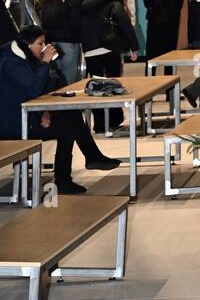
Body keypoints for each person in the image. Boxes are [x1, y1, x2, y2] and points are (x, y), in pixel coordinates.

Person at [0, 27, 119, 193]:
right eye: (39, 44)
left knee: (70, 114)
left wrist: (45, 110)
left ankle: (86, 161)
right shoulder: (11, 61)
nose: (43, 48)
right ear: (26, 44)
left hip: (27, 114)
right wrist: (43, 63)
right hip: (13, 124)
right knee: (68, 127)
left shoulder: (25, 56)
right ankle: (70, 174)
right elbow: (33, 89)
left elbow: (50, 87)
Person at [81, 0, 140, 77]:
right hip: (110, 48)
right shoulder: (114, 5)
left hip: (90, 51)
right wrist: (134, 47)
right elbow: (126, 25)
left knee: (96, 85)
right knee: (113, 84)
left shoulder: (83, 6)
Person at [39, 0, 84, 85]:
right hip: (69, 42)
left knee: (54, 78)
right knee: (69, 81)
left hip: (50, 43)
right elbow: (76, 23)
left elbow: (44, 22)